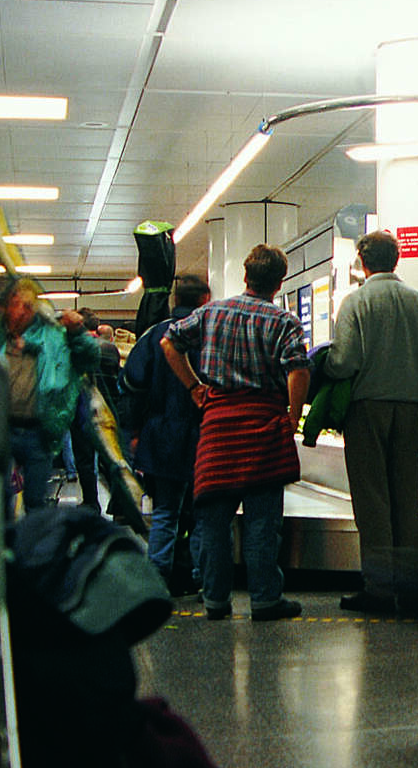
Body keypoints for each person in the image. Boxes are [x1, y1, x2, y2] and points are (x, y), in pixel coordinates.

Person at [161, 246, 311, 622]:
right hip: (263, 427)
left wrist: (195, 387)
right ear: (279, 282)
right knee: (263, 522)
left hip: (219, 427)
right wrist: (292, 418)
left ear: (246, 277)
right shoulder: (283, 321)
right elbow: (298, 370)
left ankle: (215, 600)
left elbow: (169, 342)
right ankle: (264, 600)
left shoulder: (211, 313)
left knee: (212, 520)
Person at [323, 230, 418, 613]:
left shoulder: (356, 302)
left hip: (367, 410)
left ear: (362, 261)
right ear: (397, 259)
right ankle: (410, 588)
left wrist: (322, 365)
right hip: (409, 411)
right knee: (406, 499)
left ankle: (378, 588)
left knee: (372, 501)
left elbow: (344, 361)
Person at [0, 277, 100, 516]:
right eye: (16, 303)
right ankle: (4, 550)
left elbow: (90, 358)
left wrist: (77, 333)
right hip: (1, 429)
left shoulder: (53, 337)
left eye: (28, 305)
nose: (21, 311)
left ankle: (30, 548)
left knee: (36, 503)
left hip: (39, 432)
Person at [125, 273, 210, 592]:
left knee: (165, 511)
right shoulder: (210, 333)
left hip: (160, 435)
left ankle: (157, 576)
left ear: (175, 299)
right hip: (205, 434)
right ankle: (204, 577)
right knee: (204, 512)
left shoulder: (154, 335)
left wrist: (134, 430)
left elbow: (133, 382)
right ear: (206, 298)